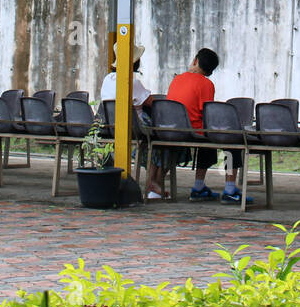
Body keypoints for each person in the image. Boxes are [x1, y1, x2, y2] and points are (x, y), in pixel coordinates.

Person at [166, 48, 246, 203]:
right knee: (232, 143)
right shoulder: (207, 84)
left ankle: (199, 187)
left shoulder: (177, 79)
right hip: (194, 131)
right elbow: (207, 113)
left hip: (172, 129)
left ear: (195, 60)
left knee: (206, 143)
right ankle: (230, 189)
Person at [99, 43, 160, 199]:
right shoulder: (133, 82)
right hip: (134, 128)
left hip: (110, 126)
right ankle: (152, 182)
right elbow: (151, 102)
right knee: (158, 140)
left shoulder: (107, 79)